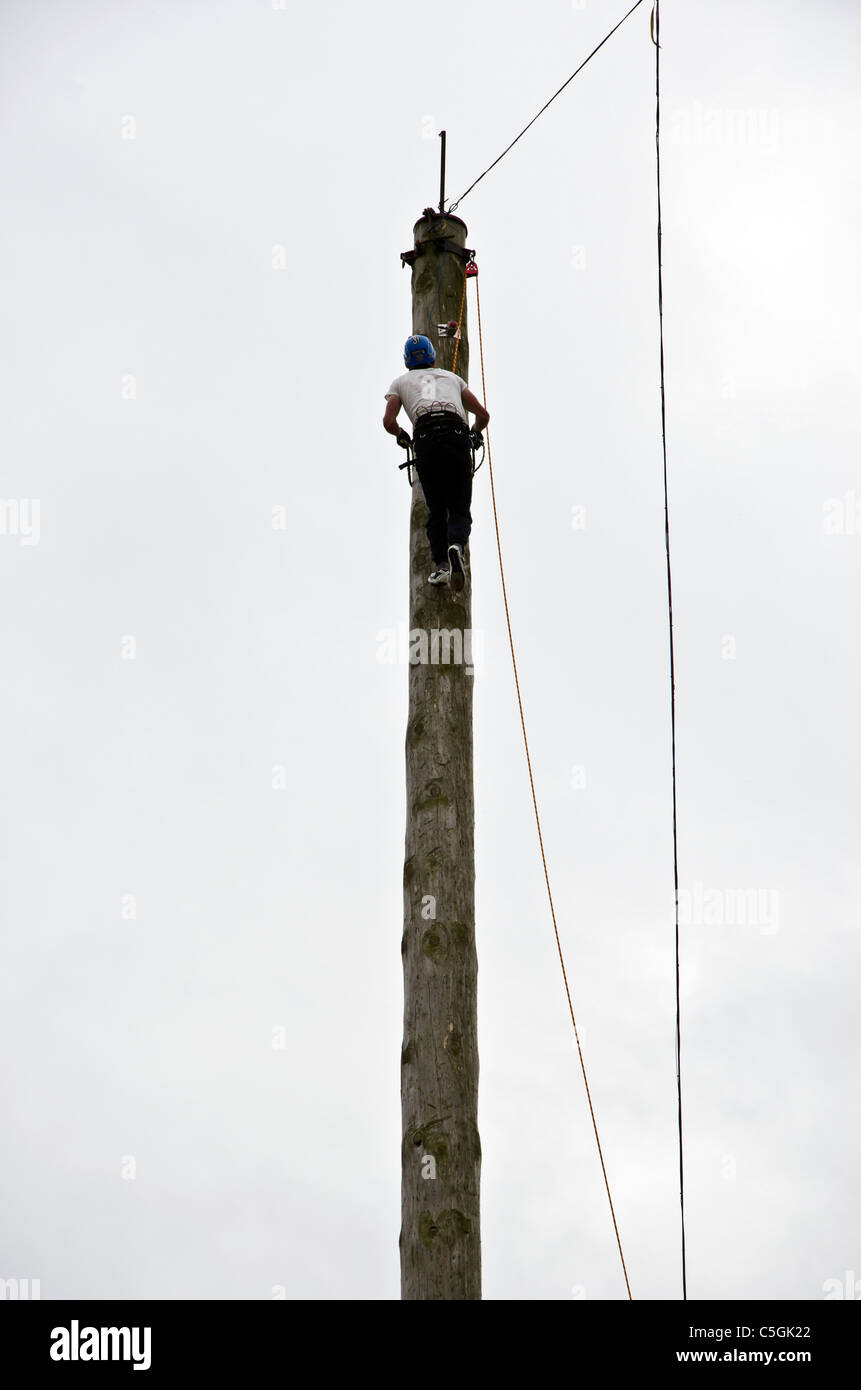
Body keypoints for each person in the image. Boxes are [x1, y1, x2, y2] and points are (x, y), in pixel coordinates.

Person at [383, 334, 490, 592]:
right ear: (432, 355)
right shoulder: (452, 378)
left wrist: (402, 436)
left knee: (437, 511)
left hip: (426, 440)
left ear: (407, 360)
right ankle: (456, 546)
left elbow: (389, 421)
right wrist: (474, 433)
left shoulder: (399, 382)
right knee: (460, 508)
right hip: (456, 437)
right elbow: (483, 415)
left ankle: (442, 565)